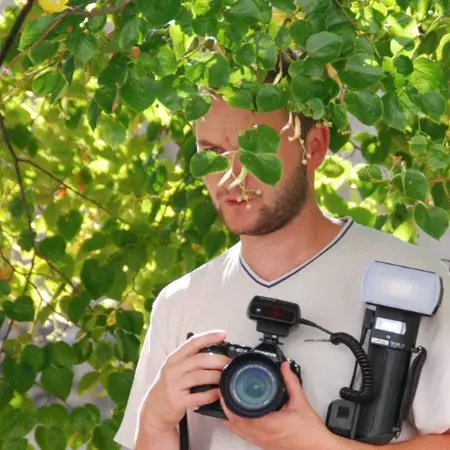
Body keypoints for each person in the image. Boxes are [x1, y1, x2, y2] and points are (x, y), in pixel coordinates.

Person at [114, 53, 450, 449]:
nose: (231, 175)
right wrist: (154, 423)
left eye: (256, 149)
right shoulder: (180, 303)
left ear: (315, 146)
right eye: (213, 152)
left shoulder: (415, 284)